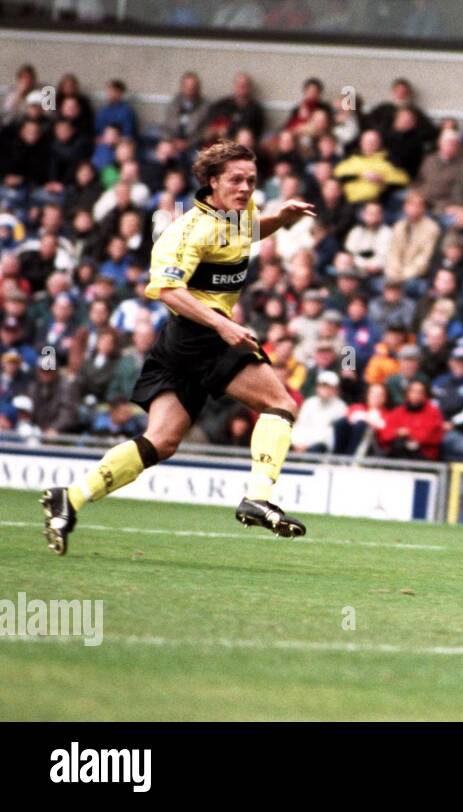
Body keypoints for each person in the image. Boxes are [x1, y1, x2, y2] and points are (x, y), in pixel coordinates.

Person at [41, 140, 317, 554]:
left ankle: (71, 498)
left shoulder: (242, 215)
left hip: (182, 341)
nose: (245, 187)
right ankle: (258, 496)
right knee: (280, 405)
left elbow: (252, 232)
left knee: (161, 441)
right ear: (212, 182)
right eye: (236, 180)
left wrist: (282, 217)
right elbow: (168, 290)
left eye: (252, 180)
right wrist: (222, 326)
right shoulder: (186, 230)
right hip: (198, 332)